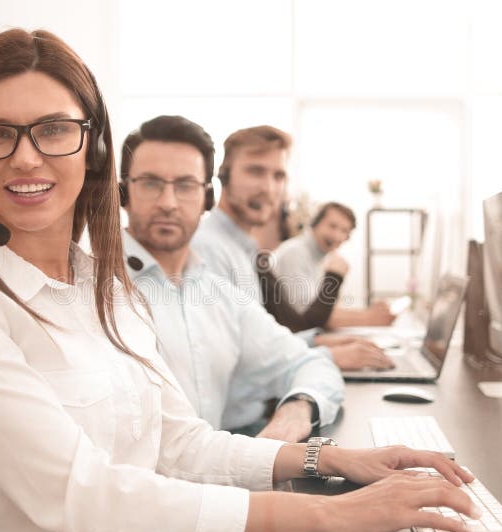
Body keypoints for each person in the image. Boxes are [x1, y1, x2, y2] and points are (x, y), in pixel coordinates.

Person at [0, 29, 479, 532]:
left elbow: (176, 440)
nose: (26, 158)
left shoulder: (103, 289)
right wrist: (334, 512)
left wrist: (330, 459)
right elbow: (86, 498)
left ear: (94, 150)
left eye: (55, 130)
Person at [119, 115, 344, 443]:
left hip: (227, 464)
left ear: (206, 198)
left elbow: (309, 363)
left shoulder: (212, 289)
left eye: (185, 185)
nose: (167, 203)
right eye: (151, 183)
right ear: (123, 193)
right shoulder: (93, 287)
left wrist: (298, 408)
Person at [193, 126, 393, 370]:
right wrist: (327, 355)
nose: (268, 188)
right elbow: (232, 362)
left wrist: (319, 343)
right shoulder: (209, 248)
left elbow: (260, 341)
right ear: (224, 175)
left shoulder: (245, 249)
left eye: (278, 176)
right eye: (255, 171)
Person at [274, 202, 396, 327]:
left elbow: (326, 309)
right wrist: (367, 317)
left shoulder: (325, 258)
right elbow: (310, 316)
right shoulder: (294, 253)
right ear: (315, 224)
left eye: (344, 231)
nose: (337, 235)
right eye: (332, 226)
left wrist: (370, 313)